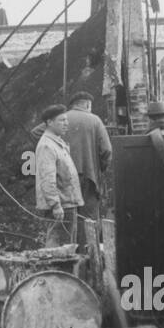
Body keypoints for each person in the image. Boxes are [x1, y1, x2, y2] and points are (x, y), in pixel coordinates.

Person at [61, 91, 113, 252]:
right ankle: (89, 257)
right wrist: (100, 168)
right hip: (88, 177)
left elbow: (37, 133)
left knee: (67, 218)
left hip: (64, 176)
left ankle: (68, 258)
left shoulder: (60, 119)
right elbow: (106, 151)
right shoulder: (95, 120)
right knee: (88, 218)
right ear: (87, 105)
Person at [33, 104, 84, 247]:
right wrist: (55, 205)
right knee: (57, 248)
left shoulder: (57, 142)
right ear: (49, 122)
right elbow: (47, 179)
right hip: (61, 206)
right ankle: (55, 269)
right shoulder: (47, 146)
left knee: (67, 247)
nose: (66, 123)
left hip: (67, 203)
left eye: (66, 120)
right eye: (62, 120)